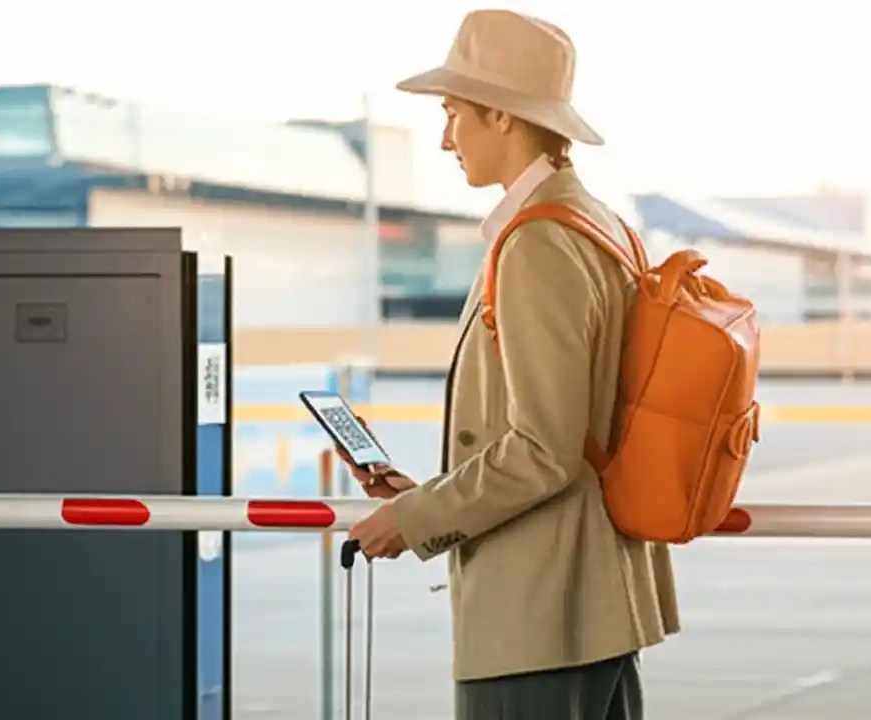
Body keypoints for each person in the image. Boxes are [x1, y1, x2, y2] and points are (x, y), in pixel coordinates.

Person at [340, 8, 680, 719]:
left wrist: (418, 516)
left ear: (501, 117)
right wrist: (419, 494)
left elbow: (543, 449)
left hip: (540, 617)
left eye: (453, 113)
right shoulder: (596, 223)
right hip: (589, 608)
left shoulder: (539, 246)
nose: (443, 138)